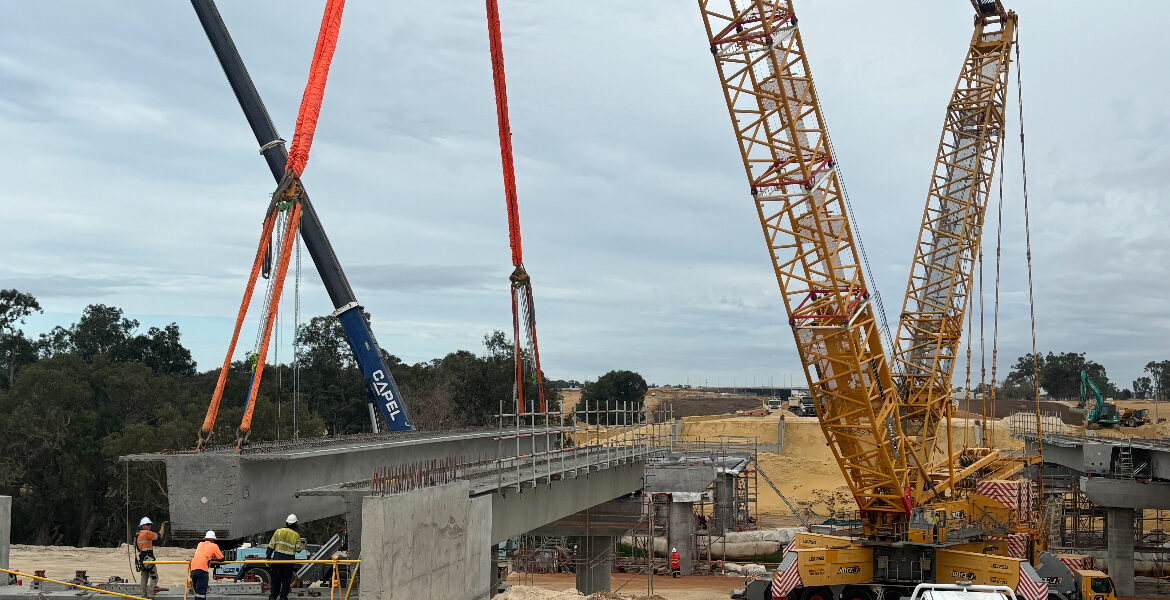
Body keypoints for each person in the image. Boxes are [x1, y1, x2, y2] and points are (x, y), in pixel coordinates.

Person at [266, 514, 306, 600]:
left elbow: (271, 546)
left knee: (275, 579)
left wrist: (268, 557)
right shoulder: (296, 535)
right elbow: (298, 549)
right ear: (295, 524)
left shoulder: (278, 531)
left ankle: (273, 596)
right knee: (286, 580)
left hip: (277, 560)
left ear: (286, 523)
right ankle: (283, 597)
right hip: (288, 561)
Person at [135, 517, 166, 598]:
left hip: (142, 560)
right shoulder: (146, 533)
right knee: (154, 578)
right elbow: (159, 536)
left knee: (144, 578)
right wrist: (162, 527)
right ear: (143, 526)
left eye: (150, 525)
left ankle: (143, 595)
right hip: (149, 560)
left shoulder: (138, 534)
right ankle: (150, 594)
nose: (150, 526)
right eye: (148, 525)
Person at [190, 530, 223, 600]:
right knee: (201, 593)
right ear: (213, 539)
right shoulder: (214, 546)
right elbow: (221, 558)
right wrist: (213, 560)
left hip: (193, 569)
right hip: (202, 570)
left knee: (197, 592)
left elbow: (202, 555)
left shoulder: (200, 544)